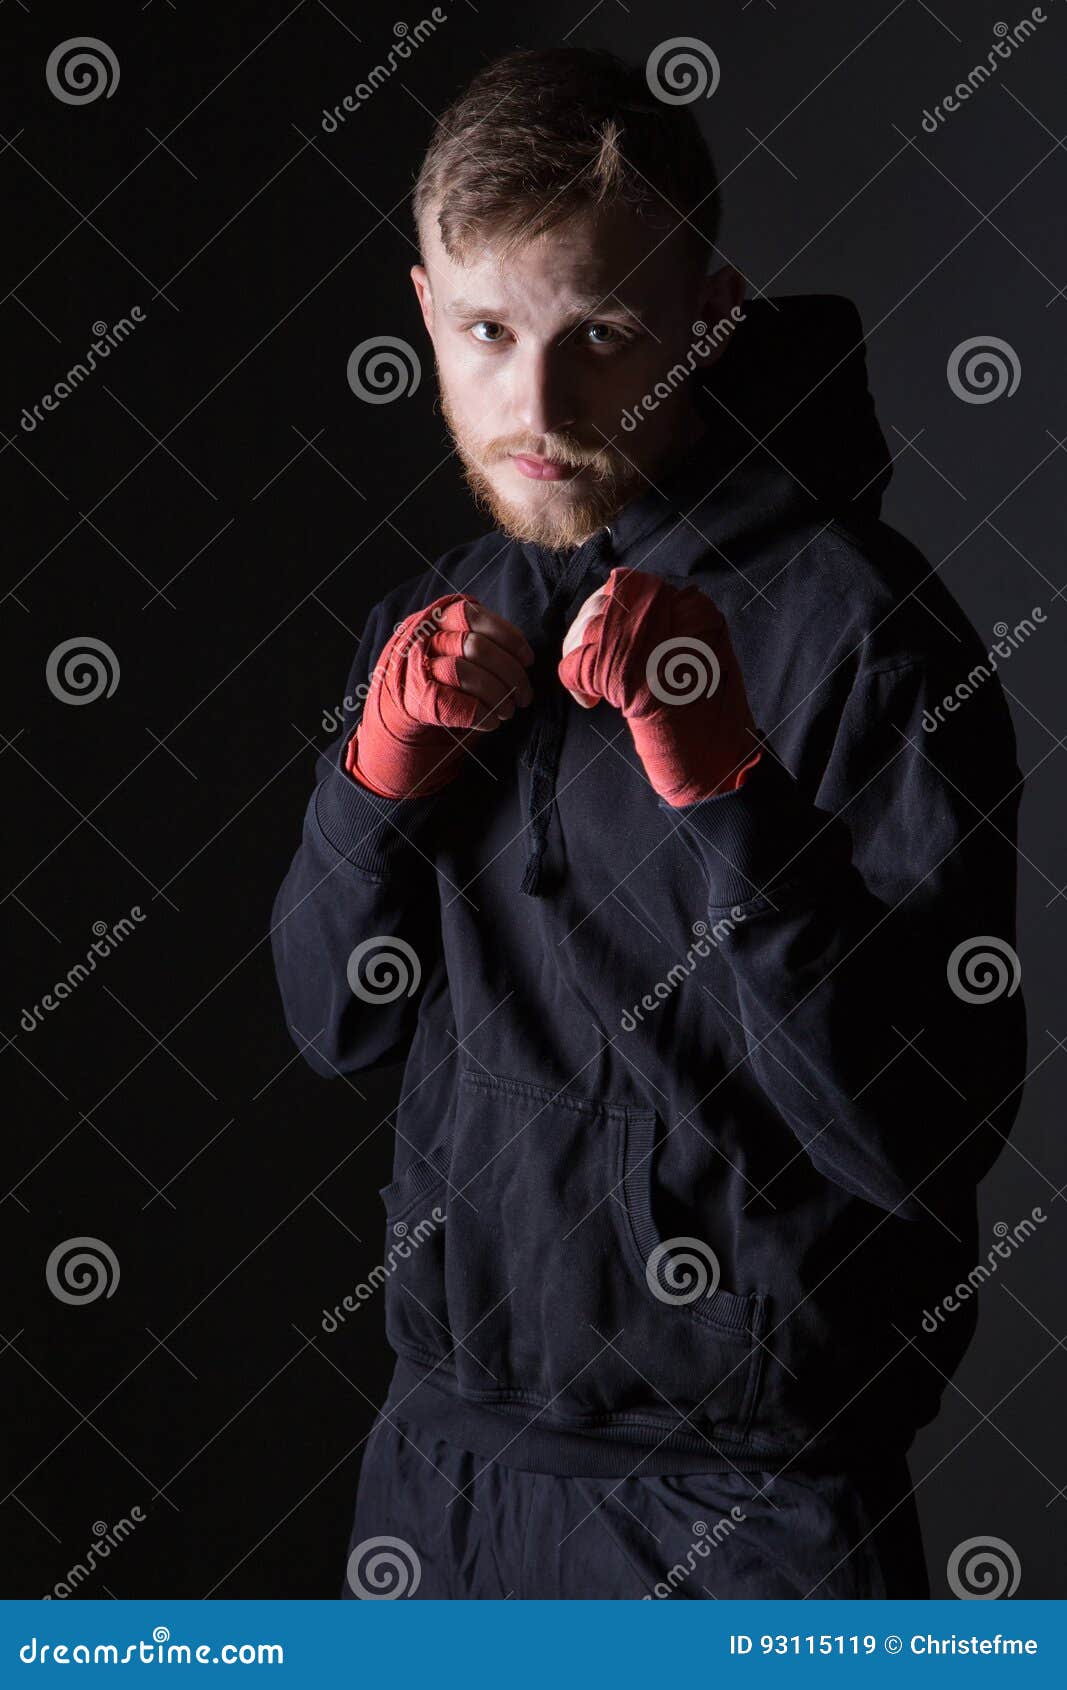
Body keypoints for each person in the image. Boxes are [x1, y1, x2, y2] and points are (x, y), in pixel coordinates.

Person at [270, 47, 1027, 1599]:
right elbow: (330, 1022)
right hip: (443, 1485)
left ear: (708, 319)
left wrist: (731, 795)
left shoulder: (862, 636)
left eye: (601, 334)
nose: (534, 406)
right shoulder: (438, 619)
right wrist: (371, 787)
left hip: (739, 1517)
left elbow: (926, 1131)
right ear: (425, 313)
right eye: (487, 333)